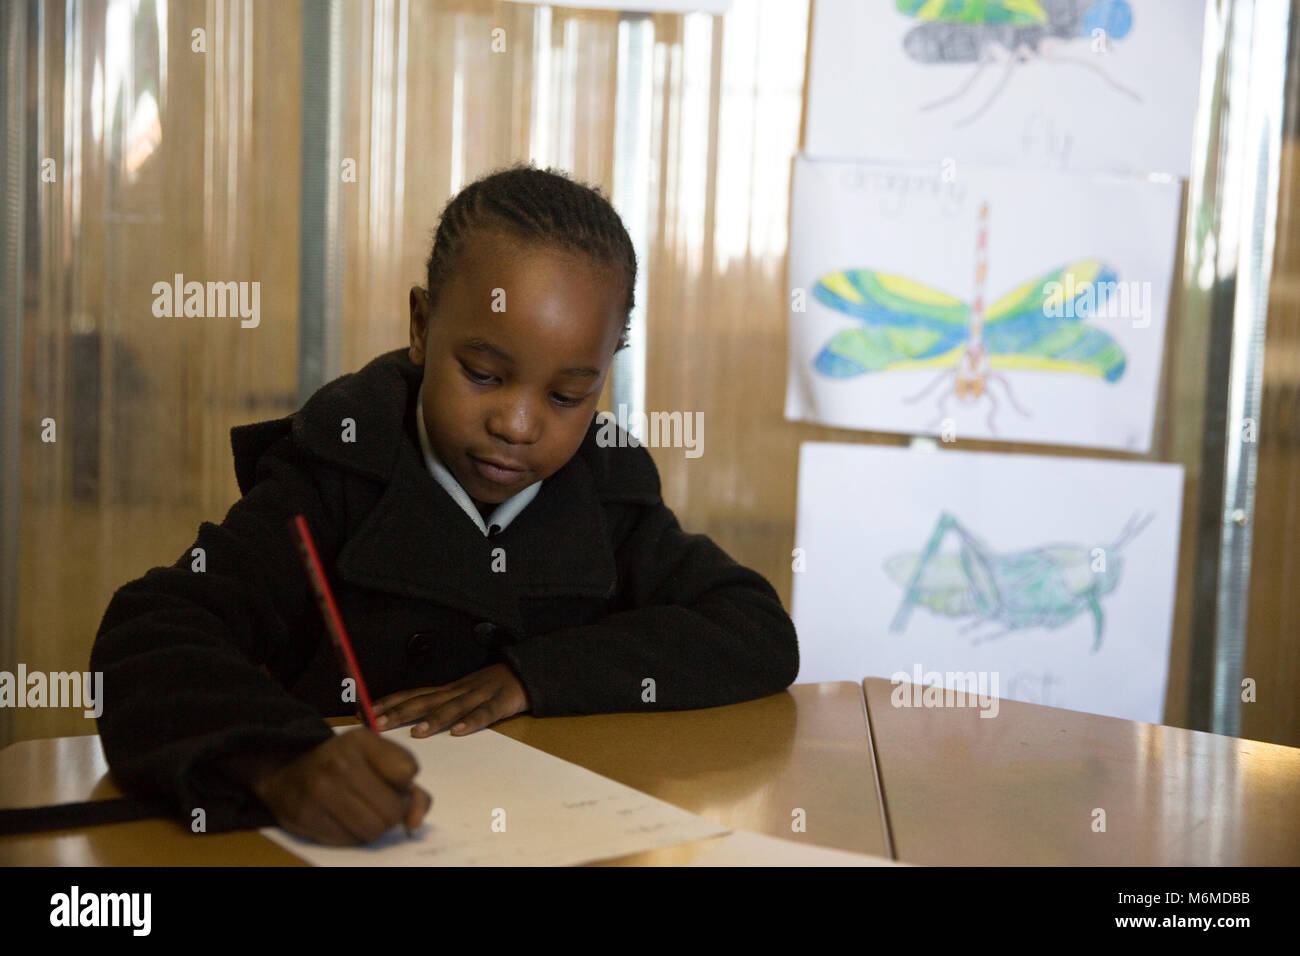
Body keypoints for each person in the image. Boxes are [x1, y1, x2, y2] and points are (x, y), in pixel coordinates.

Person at [89, 163, 799, 846]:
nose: (517, 424)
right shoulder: (333, 476)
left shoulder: (607, 497)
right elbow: (150, 632)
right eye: (484, 374)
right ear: (423, 327)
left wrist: (534, 676)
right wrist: (281, 760)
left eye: (566, 395)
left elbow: (754, 627)